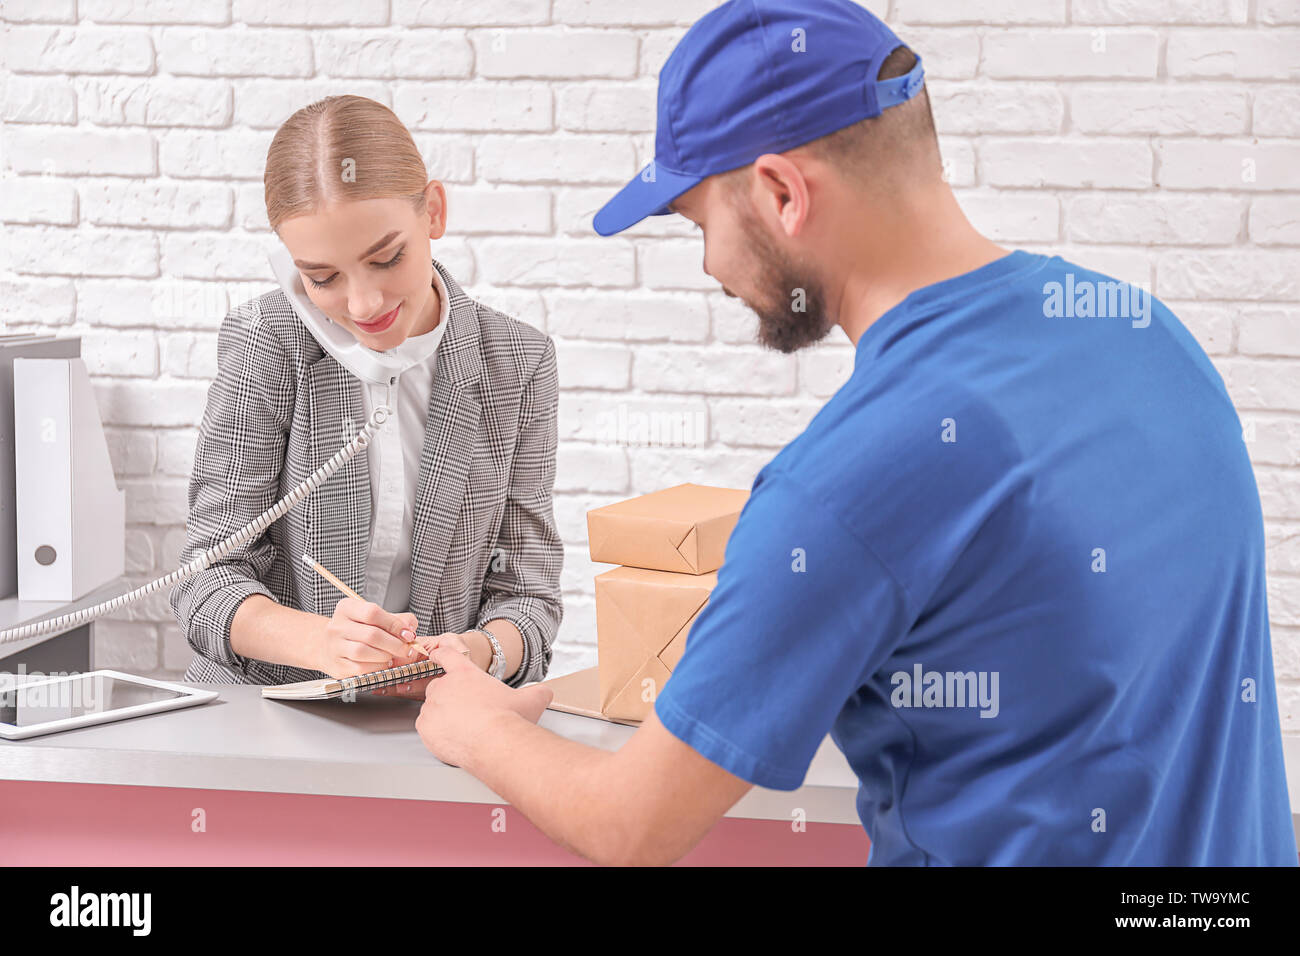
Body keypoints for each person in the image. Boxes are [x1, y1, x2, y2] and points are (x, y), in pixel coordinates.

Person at [412, 0, 1297, 866]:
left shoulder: (849, 480)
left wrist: (481, 725)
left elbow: (629, 825)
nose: (711, 264)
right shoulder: (1145, 333)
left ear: (782, 193)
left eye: (699, 222)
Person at [171, 95, 563, 692]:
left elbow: (527, 596)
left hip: (436, 714)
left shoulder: (519, 362)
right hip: (267, 709)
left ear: (432, 213)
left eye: (387, 258)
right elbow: (205, 579)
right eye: (321, 277)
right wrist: (322, 643)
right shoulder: (265, 342)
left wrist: (473, 653)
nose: (364, 306)